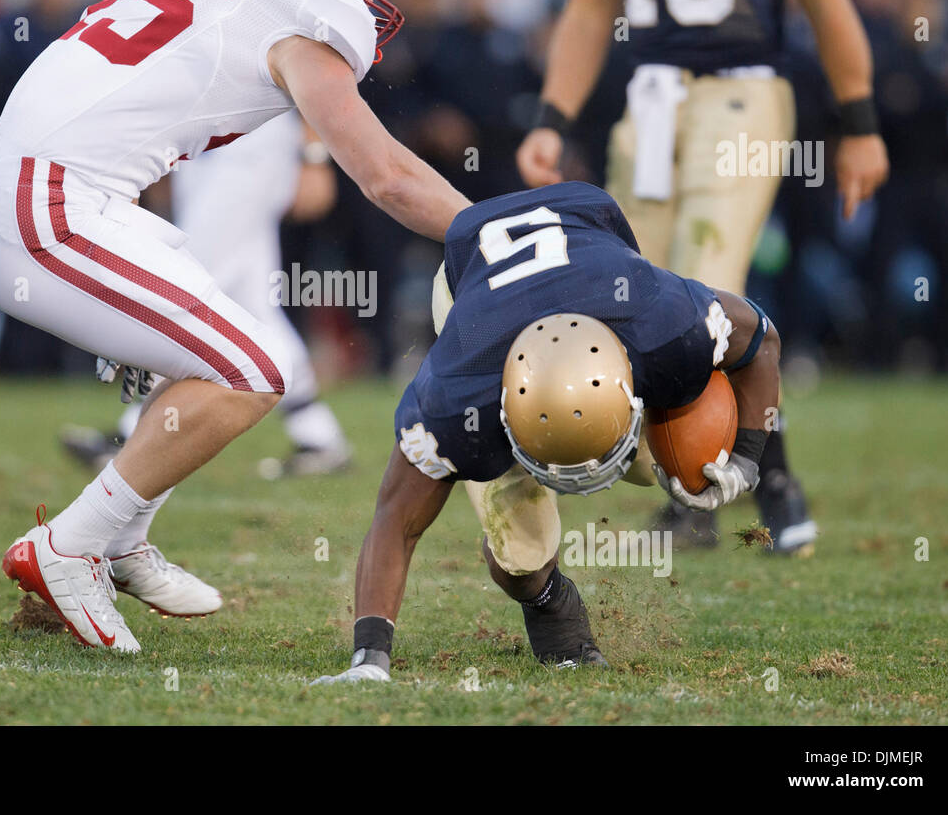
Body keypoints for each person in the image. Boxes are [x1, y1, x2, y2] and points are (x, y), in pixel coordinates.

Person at [0, 0, 471, 652]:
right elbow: (386, 175)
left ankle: (120, 538)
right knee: (251, 367)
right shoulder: (299, 0)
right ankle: (70, 546)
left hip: (42, 190)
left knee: (208, 335)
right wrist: (491, 230)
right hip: (47, 203)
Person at [513, 0, 889, 553]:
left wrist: (860, 121)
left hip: (742, 91)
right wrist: (552, 117)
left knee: (707, 293)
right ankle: (730, 485)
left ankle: (743, 485)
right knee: (638, 296)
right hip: (652, 100)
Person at [314, 181, 781, 682]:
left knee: (669, 459)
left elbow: (762, 341)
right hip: (477, 289)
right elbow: (395, 519)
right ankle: (549, 602)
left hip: (593, 242)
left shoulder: (666, 324)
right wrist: (369, 659)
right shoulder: (459, 393)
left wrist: (747, 459)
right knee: (521, 550)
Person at [60, 0, 352, 478]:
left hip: (254, 146)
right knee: (249, 294)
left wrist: (313, 155)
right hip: (198, 150)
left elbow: (310, 52)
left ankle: (128, 432)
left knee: (190, 278)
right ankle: (316, 431)